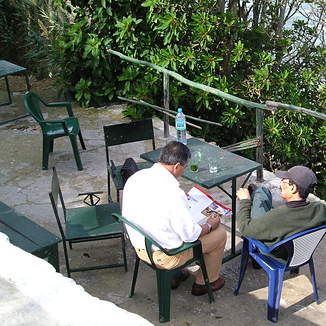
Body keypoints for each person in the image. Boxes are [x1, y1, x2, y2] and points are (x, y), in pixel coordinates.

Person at [122, 141, 227, 296]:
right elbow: (190, 235)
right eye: (184, 167)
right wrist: (210, 225)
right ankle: (205, 282)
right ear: (177, 166)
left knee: (175, 226)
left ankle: (176, 274)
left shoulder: (137, 177)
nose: (183, 171)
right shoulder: (173, 193)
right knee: (220, 234)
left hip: (140, 244)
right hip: (164, 256)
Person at [236, 165, 326, 263]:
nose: (280, 184)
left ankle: (257, 194)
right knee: (261, 194)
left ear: (293, 188)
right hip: (301, 254)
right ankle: (258, 193)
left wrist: (245, 201)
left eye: (284, 181)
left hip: (275, 254)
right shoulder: (320, 208)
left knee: (260, 195)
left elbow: (244, 228)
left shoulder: (279, 216)